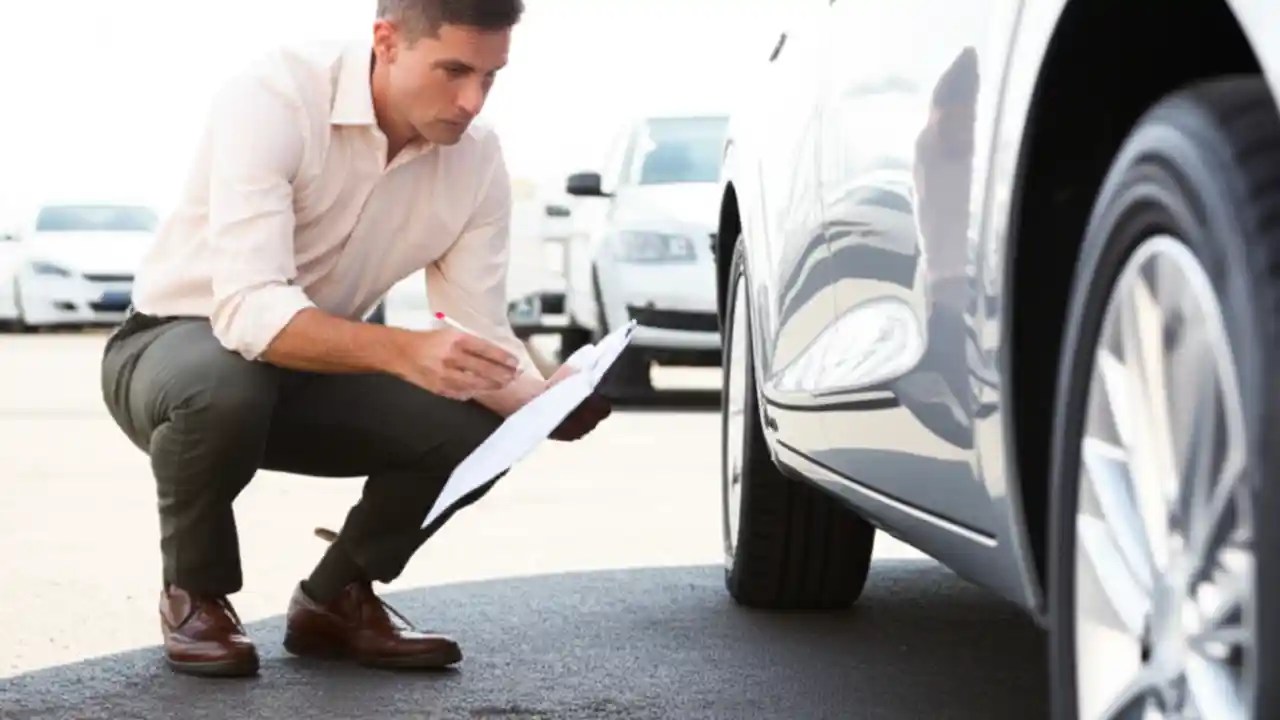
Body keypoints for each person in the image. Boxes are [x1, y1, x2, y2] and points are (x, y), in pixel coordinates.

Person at [99, 0, 612, 678]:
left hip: (315, 368)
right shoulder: (274, 97)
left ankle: (336, 599)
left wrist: (542, 404)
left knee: (478, 426)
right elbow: (250, 310)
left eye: (490, 77)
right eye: (454, 70)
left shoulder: (477, 160)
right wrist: (403, 351)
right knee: (226, 385)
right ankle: (194, 593)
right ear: (387, 41)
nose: (470, 101)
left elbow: (476, 326)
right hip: (173, 348)